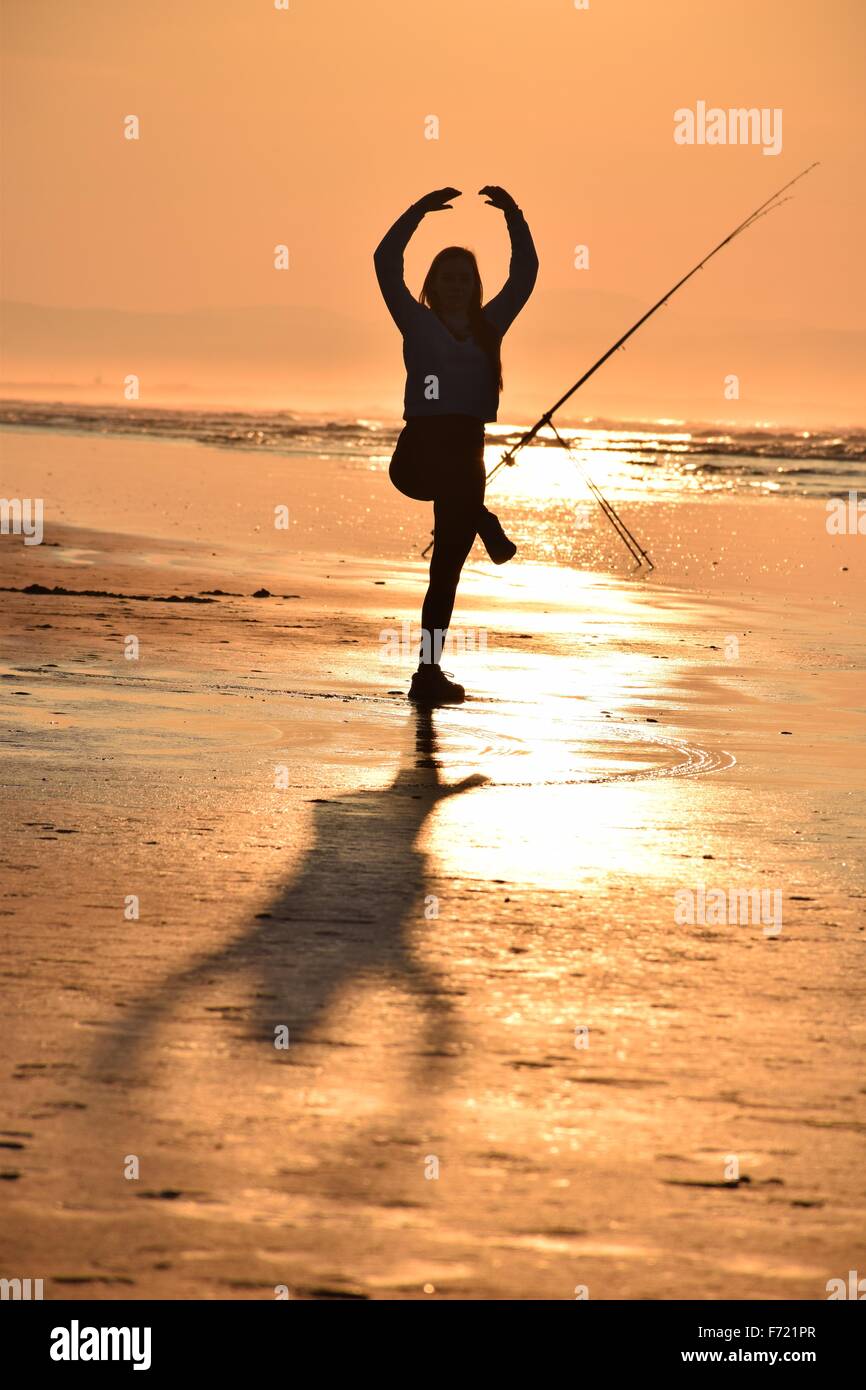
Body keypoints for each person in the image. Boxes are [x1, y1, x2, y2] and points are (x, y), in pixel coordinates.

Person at [374, 185, 538, 704]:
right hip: (420, 453)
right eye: (448, 278)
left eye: (465, 279)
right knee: (456, 497)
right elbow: (384, 262)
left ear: (474, 286)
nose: (457, 286)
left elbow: (525, 274)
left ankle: (427, 673)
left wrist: (514, 215)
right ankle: (484, 520)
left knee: (445, 571)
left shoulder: (492, 325)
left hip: (469, 450)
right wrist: (416, 211)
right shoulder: (416, 321)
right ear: (433, 284)